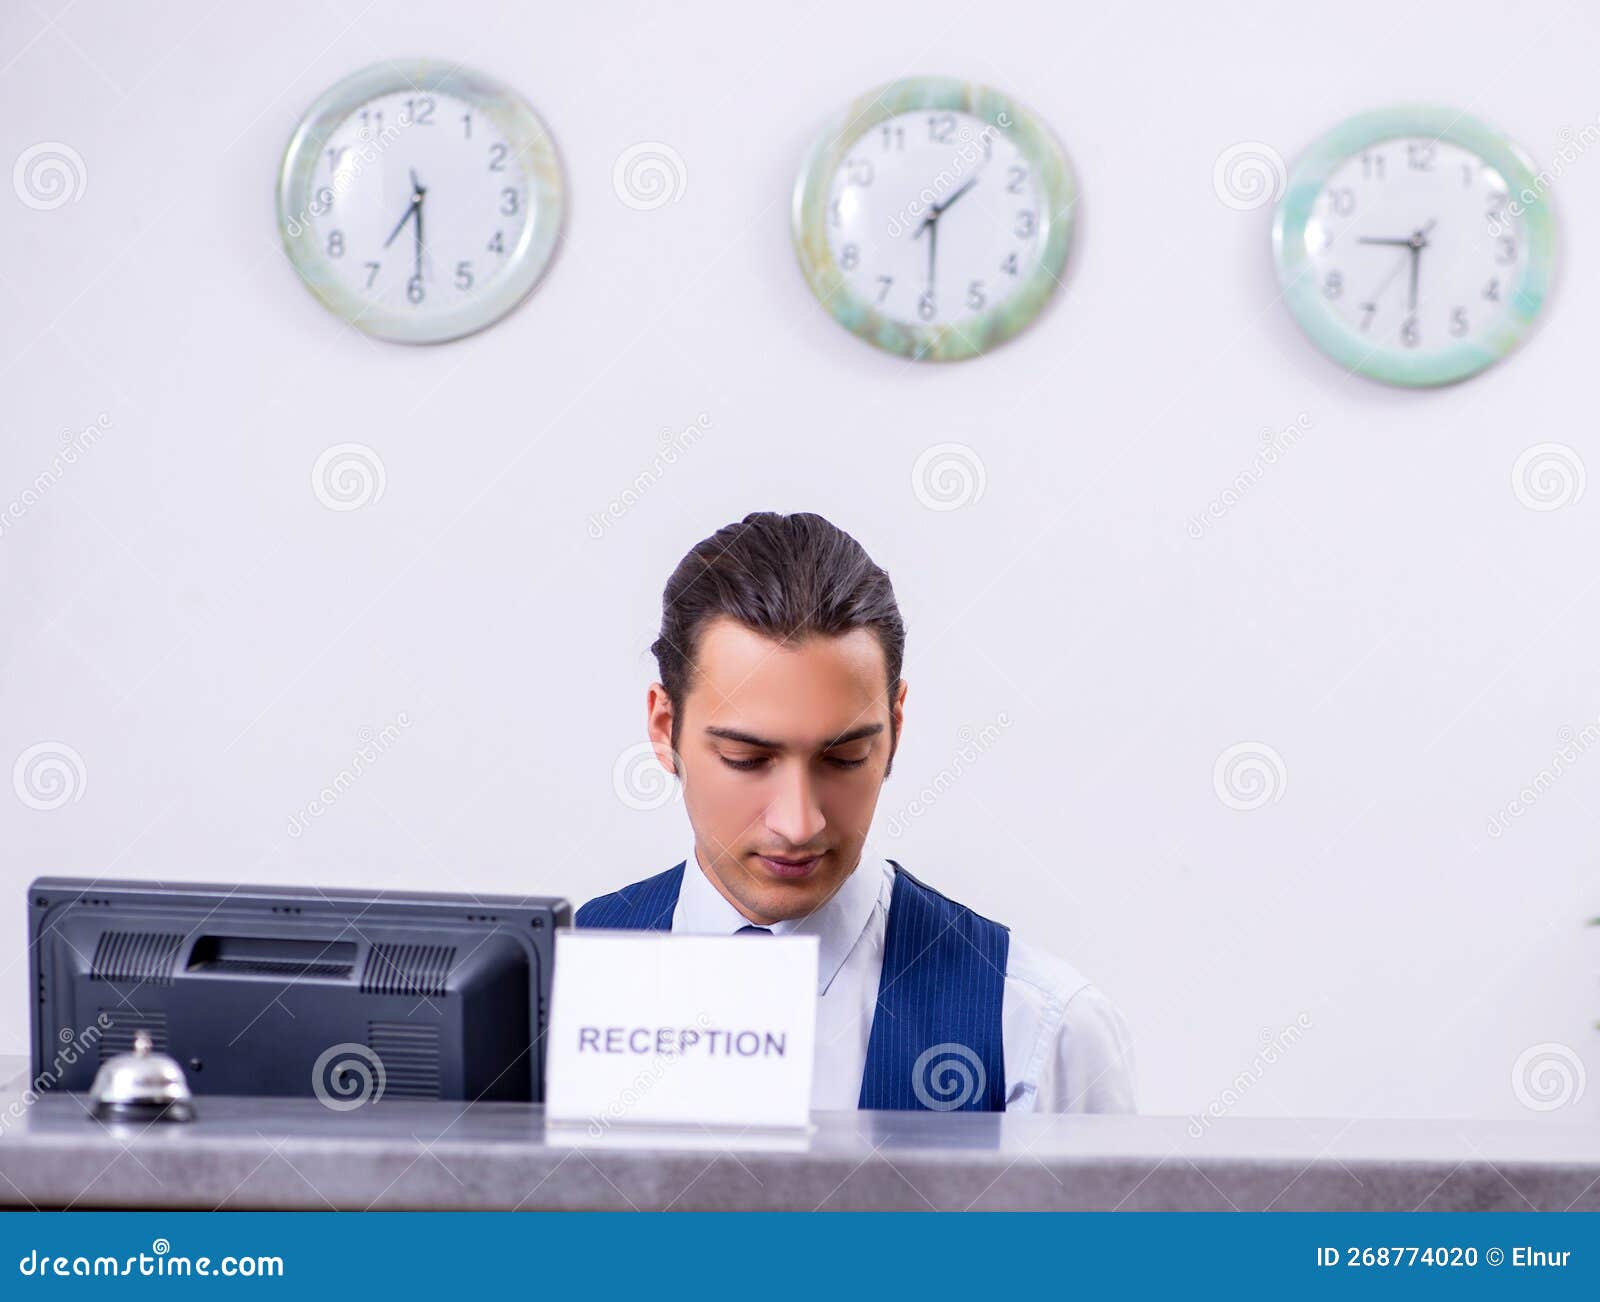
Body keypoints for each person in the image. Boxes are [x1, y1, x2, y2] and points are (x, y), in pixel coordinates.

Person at [577, 511, 1136, 1113]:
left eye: (843, 758)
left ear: (895, 726)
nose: (799, 824)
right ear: (665, 729)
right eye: (746, 758)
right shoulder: (560, 992)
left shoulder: (1037, 1032)